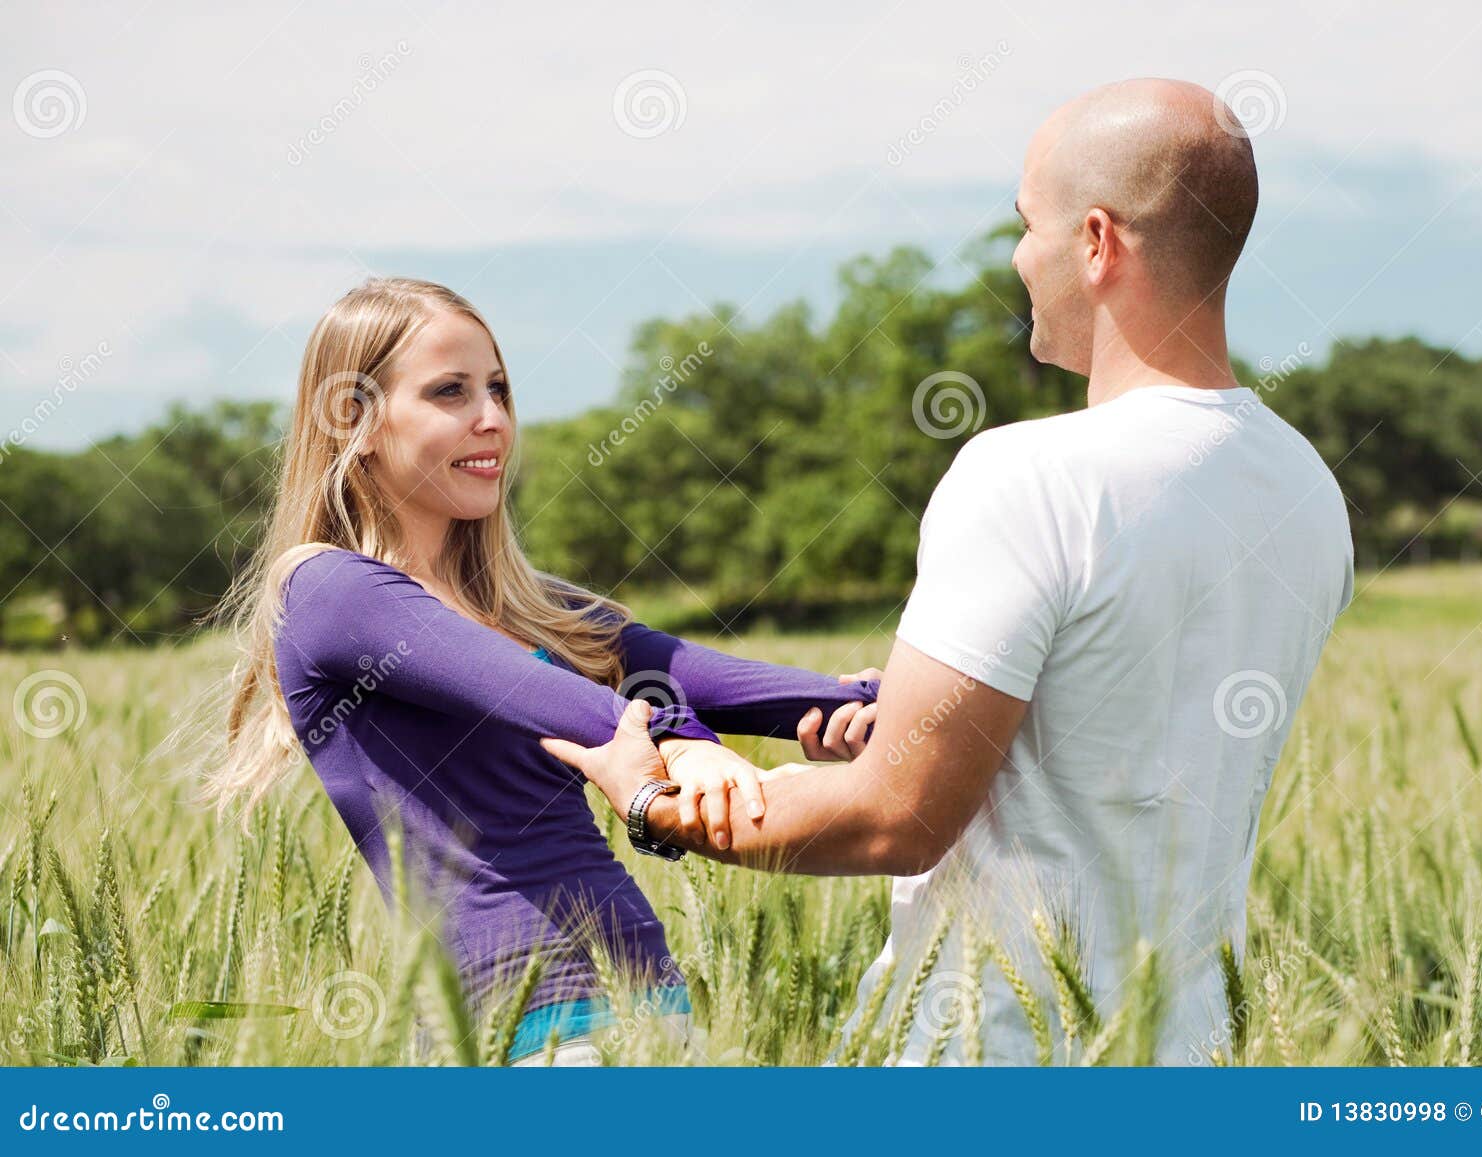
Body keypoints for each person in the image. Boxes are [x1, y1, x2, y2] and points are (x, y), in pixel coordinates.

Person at [544, 78, 1357, 1065]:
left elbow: (896, 821)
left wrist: (653, 797)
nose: (1018, 259)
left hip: (992, 1051)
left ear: (1097, 242)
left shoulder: (1028, 476)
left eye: (1027, 226)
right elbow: (1124, 734)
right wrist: (943, 732)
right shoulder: (1307, 492)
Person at [183, 276, 881, 1065]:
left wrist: (876, 703)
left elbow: (702, 674)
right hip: (523, 1037)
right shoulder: (330, 591)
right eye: (450, 392)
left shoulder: (530, 607)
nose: (492, 419)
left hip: (654, 1009)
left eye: (499, 389)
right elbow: (550, 698)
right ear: (355, 417)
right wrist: (684, 745)